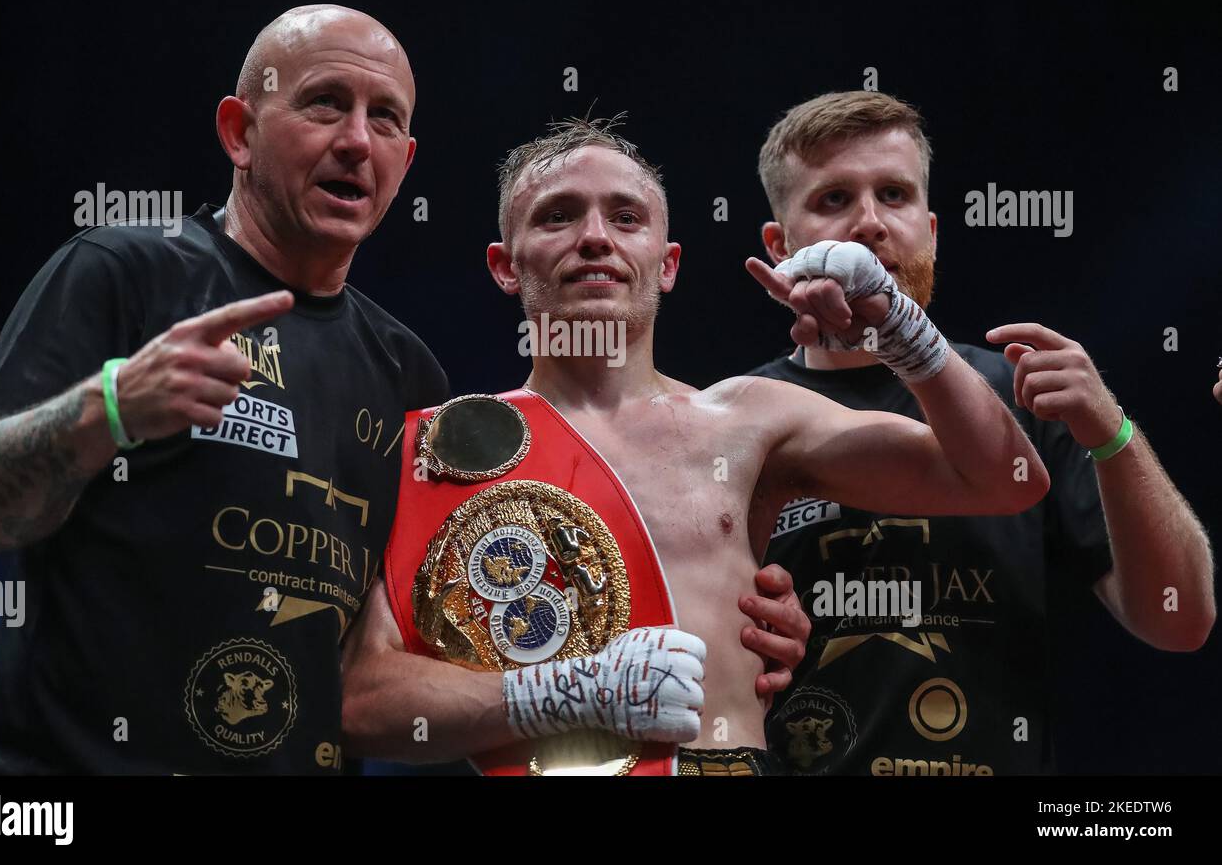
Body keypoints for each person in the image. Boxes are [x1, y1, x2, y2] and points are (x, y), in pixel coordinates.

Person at [340, 116, 1050, 775]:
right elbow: (364, 702)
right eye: (559, 216)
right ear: (504, 264)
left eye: (626, 217)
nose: (596, 238)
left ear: (669, 261)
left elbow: (1001, 480)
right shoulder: (441, 450)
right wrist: (559, 694)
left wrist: (899, 329)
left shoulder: (748, 420)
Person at [0, 4, 451, 773]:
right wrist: (108, 408)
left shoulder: (411, 375)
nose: (354, 140)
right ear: (239, 132)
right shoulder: (121, 273)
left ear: (405, 162)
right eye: (324, 103)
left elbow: (378, 665)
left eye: (384, 120)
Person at [748, 90, 1216, 775]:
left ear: (932, 230)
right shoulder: (735, 420)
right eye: (833, 200)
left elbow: (1179, 621)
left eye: (895, 195)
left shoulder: (1024, 394)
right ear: (778, 245)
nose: (869, 223)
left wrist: (1112, 433)